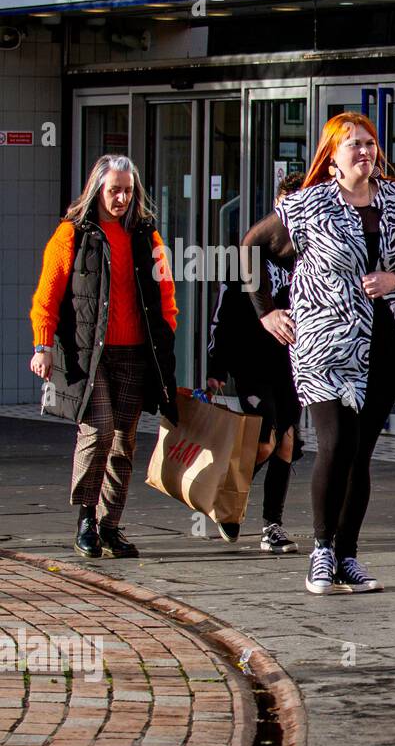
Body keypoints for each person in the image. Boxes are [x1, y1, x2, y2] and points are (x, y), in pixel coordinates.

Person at [242, 113, 395, 595]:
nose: (364, 151)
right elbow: (250, 246)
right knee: (335, 443)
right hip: (324, 343)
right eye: (353, 145)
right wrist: (266, 311)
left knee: (361, 453)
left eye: (369, 143)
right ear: (331, 157)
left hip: (384, 340)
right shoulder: (308, 205)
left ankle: (348, 554)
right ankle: (321, 552)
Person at [29, 154, 179, 560]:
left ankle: (110, 526)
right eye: (114, 190)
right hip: (87, 354)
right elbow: (47, 295)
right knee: (99, 431)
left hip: (134, 353)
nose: (121, 199)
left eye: (128, 191)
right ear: (97, 189)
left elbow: (165, 296)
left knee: (124, 442)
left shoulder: (147, 235)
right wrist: (42, 346)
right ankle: (85, 519)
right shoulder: (72, 234)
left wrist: (166, 337)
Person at [206, 171, 306, 554]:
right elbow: (223, 312)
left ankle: (272, 526)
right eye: (288, 211)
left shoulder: (311, 254)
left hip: (292, 362)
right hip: (251, 362)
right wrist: (216, 368)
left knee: (286, 443)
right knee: (263, 442)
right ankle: (226, 502)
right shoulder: (249, 253)